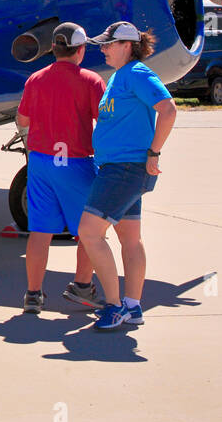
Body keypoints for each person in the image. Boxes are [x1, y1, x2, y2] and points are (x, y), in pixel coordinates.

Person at [77, 22, 176, 330]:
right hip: (120, 168)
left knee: (90, 233)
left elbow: (168, 109)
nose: (103, 49)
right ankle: (132, 306)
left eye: (109, 44)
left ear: (127, 46)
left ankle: (114, 305)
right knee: (130, 239)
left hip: (124, 169)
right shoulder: (120, 76)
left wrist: (154, 152)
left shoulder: (137, 74)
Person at [15, 22, 106, 313]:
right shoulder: (91, 80)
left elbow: (24, 120)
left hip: (41, 162)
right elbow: (103, 121)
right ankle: (81, 286)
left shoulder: (35, 79)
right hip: (76, 162)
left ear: (53, 48)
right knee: (89, 231)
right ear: (80, 50)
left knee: (40, 232)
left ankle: (33, 294)